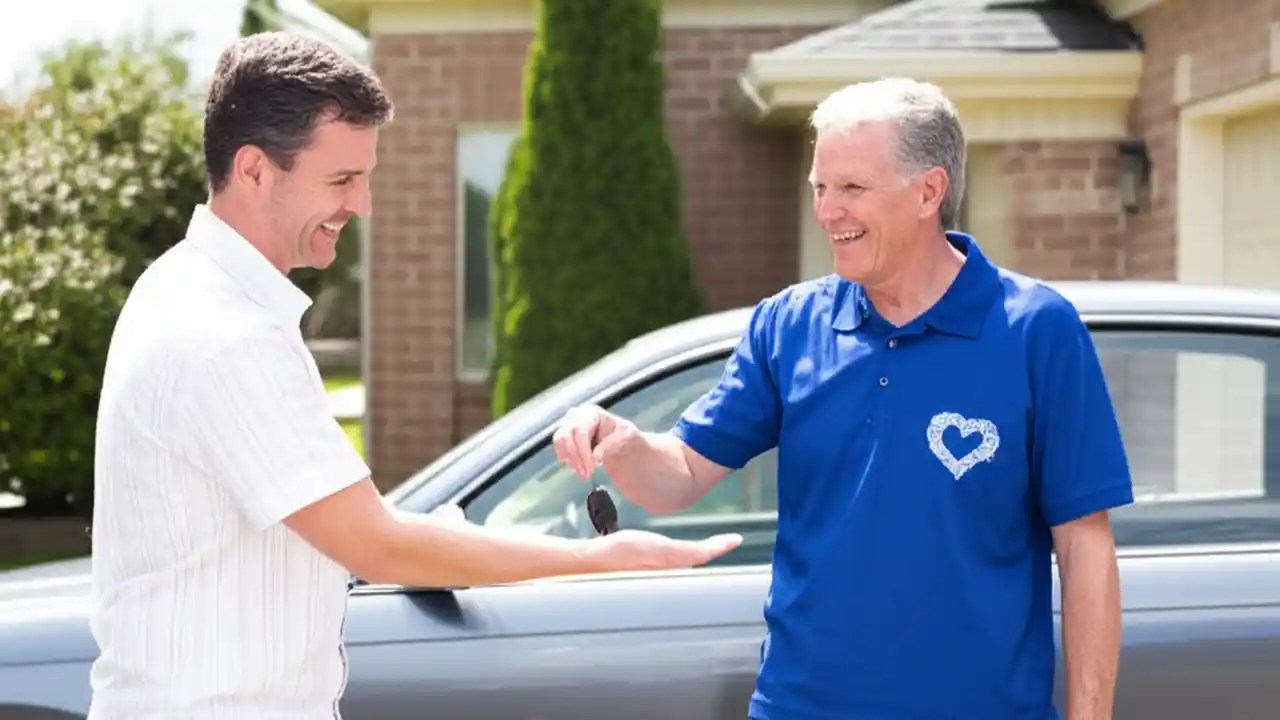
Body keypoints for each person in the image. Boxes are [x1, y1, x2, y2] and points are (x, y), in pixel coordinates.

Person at [88, 31, 740, 719]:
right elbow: (379, 544)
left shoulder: (185, 289)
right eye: (341, 180)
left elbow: (349, 524)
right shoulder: (225, 336)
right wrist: (598, 561)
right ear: (254, 170)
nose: (361, 205)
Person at [554, 77, 1133, 720]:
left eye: (852, 188)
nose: (828, 212)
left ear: (929, 192)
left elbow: (1084, 546)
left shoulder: (1036, 330)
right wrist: (624, 443)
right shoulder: (787, 326)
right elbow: (683, 474)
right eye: (820, 188)